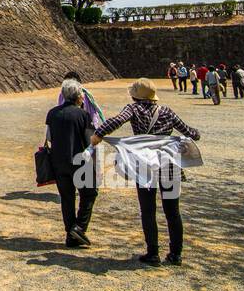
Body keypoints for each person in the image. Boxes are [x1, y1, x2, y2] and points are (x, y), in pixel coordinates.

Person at [92, 79, 202, 265]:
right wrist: (194, 133)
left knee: (148, 210)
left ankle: (153, 253)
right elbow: (191, 132)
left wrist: (98, 134)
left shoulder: (133, 109)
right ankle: (176, 254)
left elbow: (117, 120)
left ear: (136, 95)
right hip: (169, 164)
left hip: (145, 165)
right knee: (173, 211)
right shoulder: (167, 111)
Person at [44, 79, 98, 247]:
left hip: (58, 162)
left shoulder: (52, 113)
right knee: (89, 194)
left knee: (67, 198)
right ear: (78, 97)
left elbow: (48, 137)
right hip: (80, 162)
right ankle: (78, 227)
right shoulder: (83, 115)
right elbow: (91, 140)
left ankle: (71, 235)